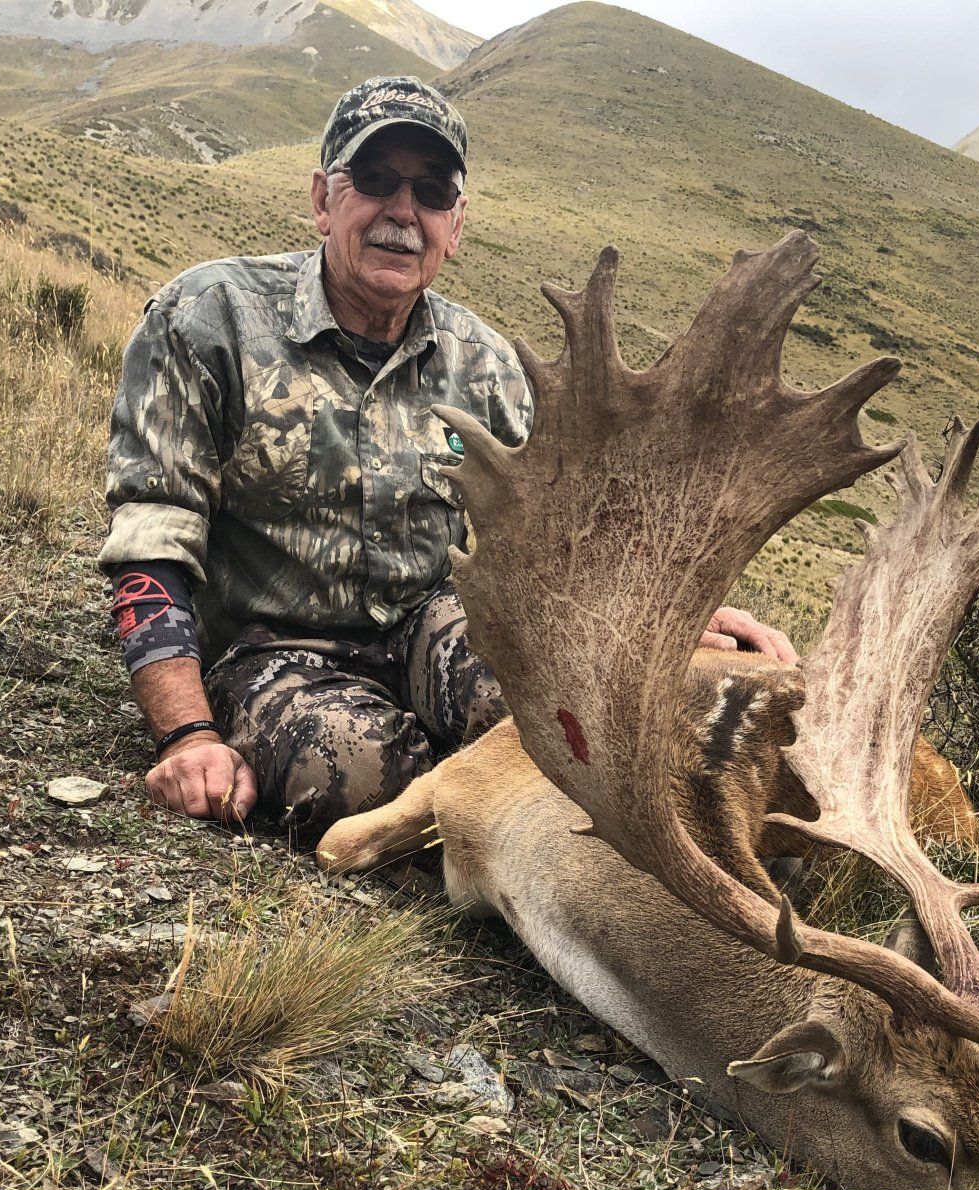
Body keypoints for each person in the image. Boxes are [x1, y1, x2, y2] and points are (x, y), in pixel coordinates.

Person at [99, 76, 797, 844]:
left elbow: (563, 534)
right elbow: (153, 534)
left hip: (434, 620)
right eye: (375, 180)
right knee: (357, 775)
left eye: (432, 193)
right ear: (323, 199)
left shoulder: (486, 365)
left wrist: (669, 617)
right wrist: (187, 736)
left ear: (454, 226)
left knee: (573, 714)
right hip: (268, 645)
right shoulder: (209, 318)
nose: (403, 212)